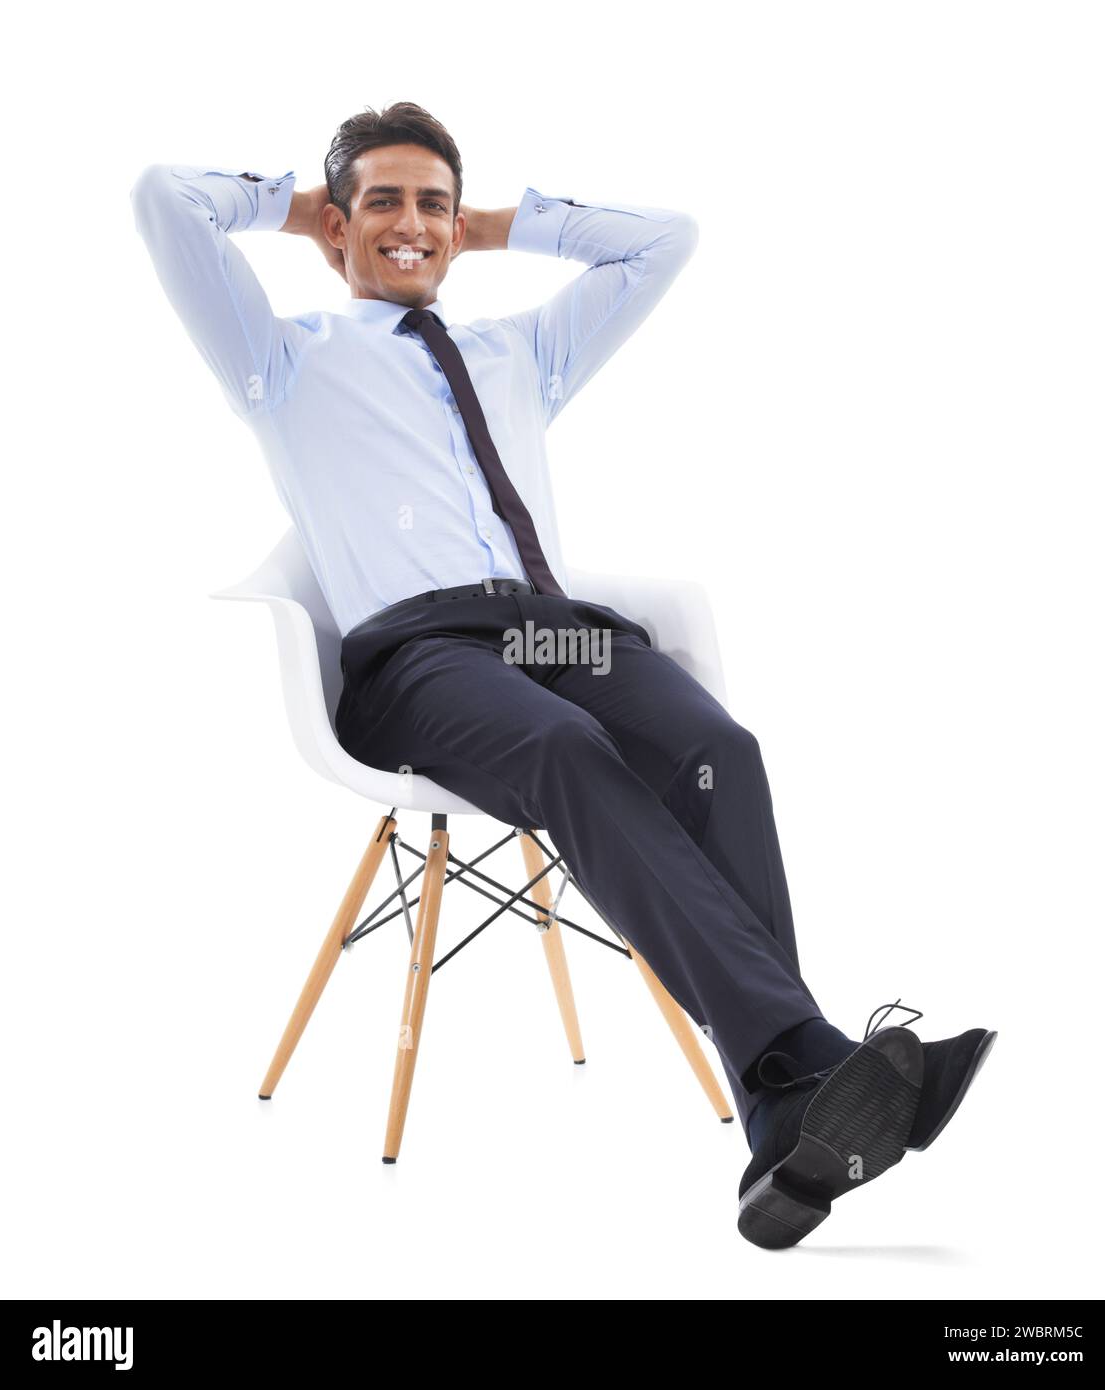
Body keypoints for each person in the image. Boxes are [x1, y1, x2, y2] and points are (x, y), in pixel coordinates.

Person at [130, 101, 996, 1248]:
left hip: (548, 631)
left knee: (714, 751)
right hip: (413, 654)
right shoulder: (284, 359)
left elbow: (664, 238)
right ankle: (806, 1062)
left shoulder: (518, 353)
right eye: (382, 201)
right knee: (563, 749)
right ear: (336, 226)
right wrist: (314, 213)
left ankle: (784, 1111)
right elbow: (163, 199)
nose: (410, 223)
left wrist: (481, 227)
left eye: (429, 202)